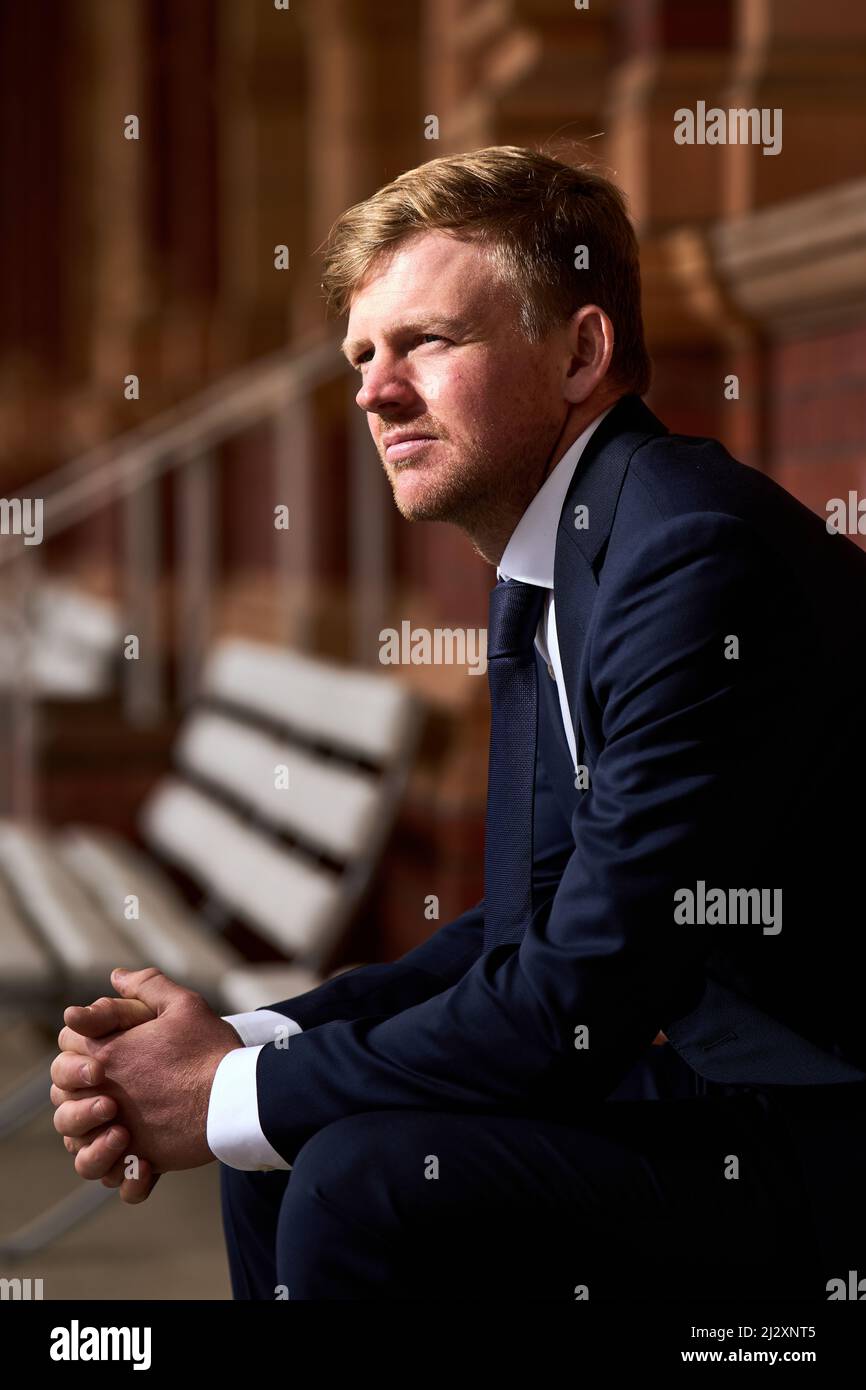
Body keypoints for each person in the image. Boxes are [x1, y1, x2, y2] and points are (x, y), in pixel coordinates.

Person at [51, 146, 866, 1301]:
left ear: (578, 352)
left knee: (353, 1175)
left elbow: (573, 994)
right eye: (361, 356)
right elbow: (520, 926)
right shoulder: (555, 558)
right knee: (281, 1156)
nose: (376, 390)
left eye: (425, 342)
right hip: (709, 1095)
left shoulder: (688, 555)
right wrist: (252, 1047)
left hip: (815, 1134)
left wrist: (229, 1095)